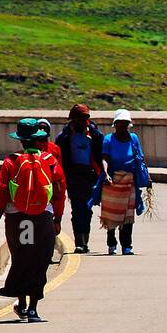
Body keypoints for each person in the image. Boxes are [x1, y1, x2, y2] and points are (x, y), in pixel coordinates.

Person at [0, 117, 67, 321]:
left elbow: (3, 192)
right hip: (43, 216)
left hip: (16, 219)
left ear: (21, 140)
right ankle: (33, 309)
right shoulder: (50, 161)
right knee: (39, 261)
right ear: (38, 138)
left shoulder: (11, 161)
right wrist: (57, 217)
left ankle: (22, 304)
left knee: (21, 259)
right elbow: (59, 191)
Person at [96, 108, 149, 255]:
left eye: (126, 124)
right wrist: (106, 174)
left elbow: (140, 158)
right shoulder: (108, 139)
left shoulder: (133, 138)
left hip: (129, 181)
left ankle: (127, 246)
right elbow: (105, 158)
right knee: (111, 215)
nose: (123, 127)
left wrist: (146, 177)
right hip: (112, 181)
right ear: (115, 124)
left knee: (127, 216)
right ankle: (112, 244)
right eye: (120, 124)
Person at [55, 104, 102, 253]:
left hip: (89, 176)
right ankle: (79, 242)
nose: (83, 121)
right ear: (73, 119)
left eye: (85, 118)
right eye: (80, 118)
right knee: (77, 209)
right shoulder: (65, 137)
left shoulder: (94, 134)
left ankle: (85, 240)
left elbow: (101, 155)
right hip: (73, 176)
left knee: (87, 210)